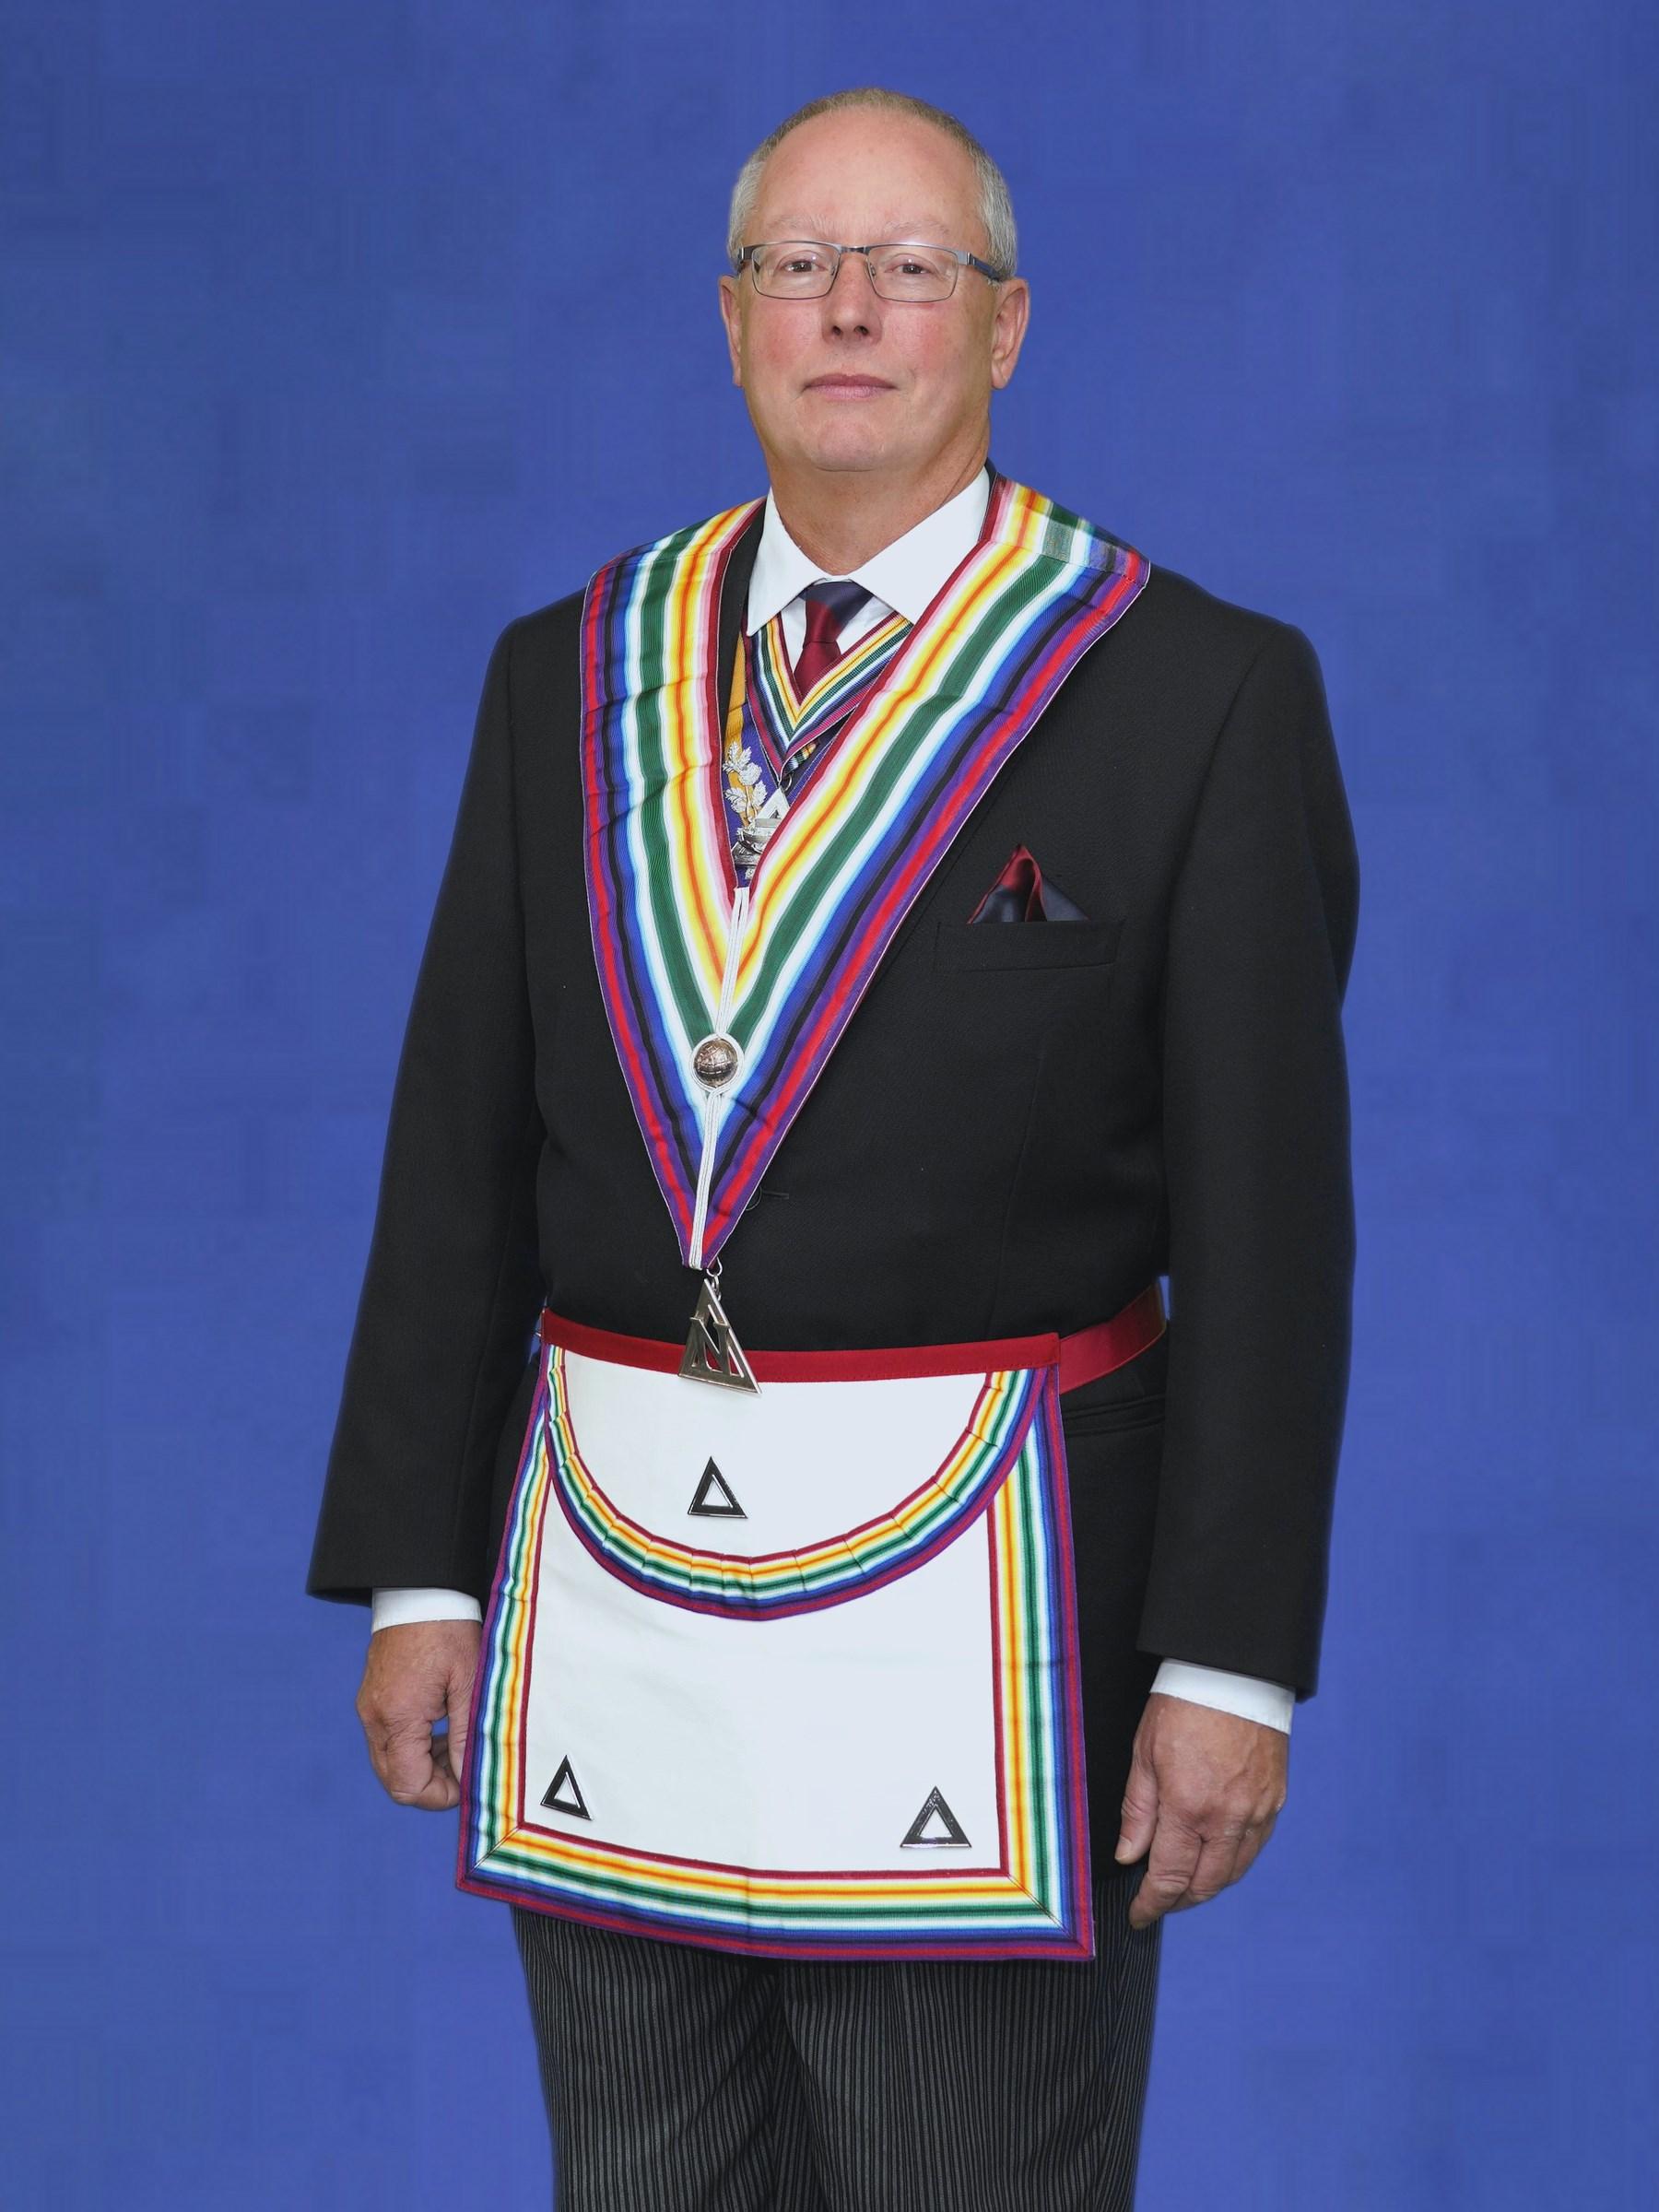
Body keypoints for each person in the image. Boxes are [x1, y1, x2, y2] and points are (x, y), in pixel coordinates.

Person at [307, 84, 1359, 2211]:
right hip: (616, 1582)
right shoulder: (570, 675)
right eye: (798, 265)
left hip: (996, 1607)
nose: (851, 310)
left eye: (911, 268)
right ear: (731, 325)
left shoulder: (1197, 691)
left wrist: (1233, 1660)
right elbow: (460, 1148)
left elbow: (1275, 1236)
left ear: (1007, 324)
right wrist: (424, 1572)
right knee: (636, 2182)